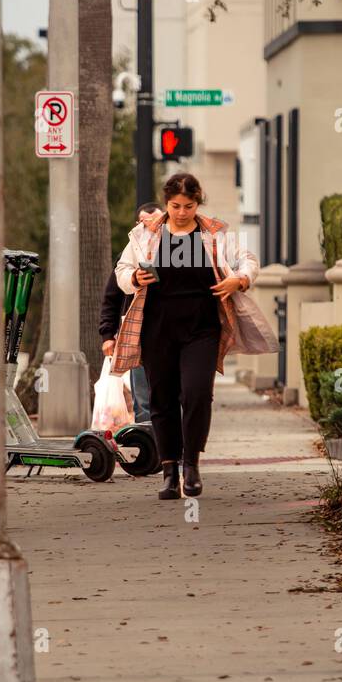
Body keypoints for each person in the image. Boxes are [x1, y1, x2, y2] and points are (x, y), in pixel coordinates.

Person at [112, 173, 259, 499]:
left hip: (201, 329)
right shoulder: (146, 234)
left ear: (198, 202)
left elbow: (247, 260)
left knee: (195, 394)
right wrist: (135, 277)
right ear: (166, 203)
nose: (181, 212)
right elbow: (121, 272)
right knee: (161, 401)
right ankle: (169, 471)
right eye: (175, 206)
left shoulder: (215, 234)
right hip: (157, 330)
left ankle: (191, 465)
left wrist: (240, 281)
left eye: (188, 206)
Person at [99, 203, 161, 422]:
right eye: (146, 223)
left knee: (173, 397)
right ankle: (152, 452)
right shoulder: (127, 257)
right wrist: (108, 335)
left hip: (170, 335)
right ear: (138, 225)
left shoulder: (177, 250)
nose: (152, 227)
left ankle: (176, 451)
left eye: (157, 221)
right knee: (143, 400)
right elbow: (112, 296)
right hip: (139, 336)